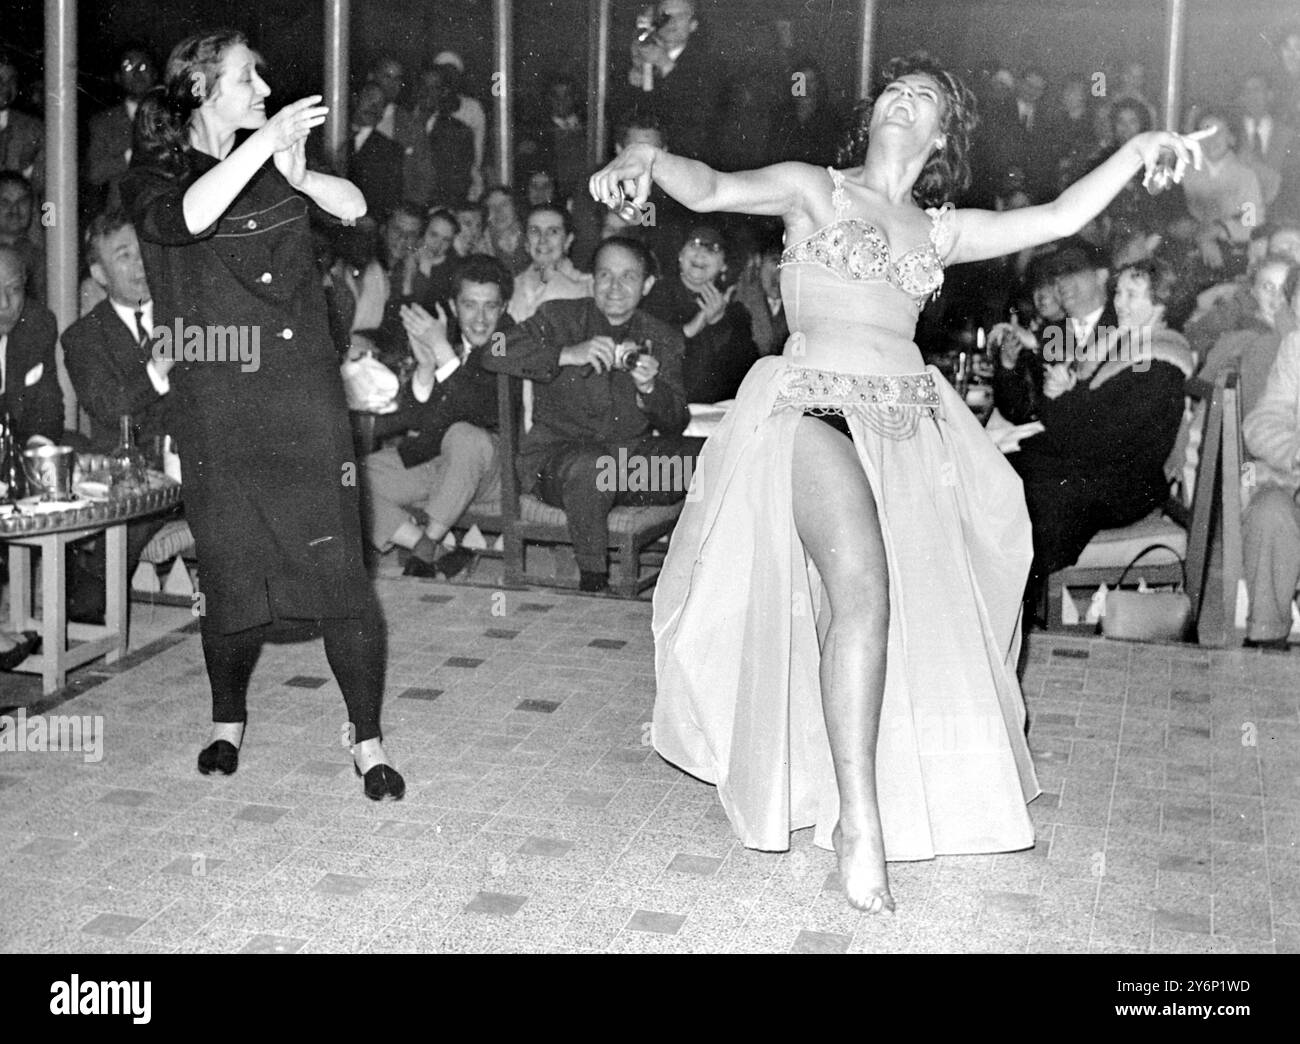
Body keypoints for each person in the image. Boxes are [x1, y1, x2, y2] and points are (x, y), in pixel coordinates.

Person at [589, 52, 1208, 913]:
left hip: (908, 426)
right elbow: (715, 188)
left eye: (924, 100)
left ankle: (847, 796)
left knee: (905, 600)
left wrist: (1138, 146)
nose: (902, 102)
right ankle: (861, 821)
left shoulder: (939, 231)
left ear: (942, 137)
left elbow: (1060, 212)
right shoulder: (815, 189)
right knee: (863, 590)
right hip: (808, 407)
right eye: (894, 91)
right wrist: (649, 161)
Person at [122, 29, 403, 800]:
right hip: (218, 405)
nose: (264, 93)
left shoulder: (271, 160)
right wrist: (263, 147)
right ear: (202, 91)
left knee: (340, 572)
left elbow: (355, 208)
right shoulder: (154, 174)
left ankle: (368, 739)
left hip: (302, 393)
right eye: (248, 80)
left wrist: (302, 171)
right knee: (234, 570)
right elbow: (188, 218)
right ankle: (226, 719)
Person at [481, 237, 701, 593]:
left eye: (628, 277)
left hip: (629, 470)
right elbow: (493, 350)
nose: (615, 287)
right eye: (605, 276)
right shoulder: (559, 317)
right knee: (591, 467)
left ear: (645, 285)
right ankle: (593, 577)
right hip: (557, 465)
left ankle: (705, 572)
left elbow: (676, 421)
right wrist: (565, 353)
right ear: (592, 280)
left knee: (714, 457)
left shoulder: (662, 337)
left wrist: (650, 388)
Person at [362, 254, 517, 579]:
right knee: (350, 477)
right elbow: (418, 420)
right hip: (442, 462)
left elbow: (479, 409)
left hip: (493, 468)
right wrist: (426, 368)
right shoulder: (444, 338)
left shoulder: (510, 342)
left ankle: (427, 542)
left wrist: (442, 353)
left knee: (464, 435)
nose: (480, 318)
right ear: (454, 305)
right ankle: (431, 548)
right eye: (470, 305)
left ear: (503, 308)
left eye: (490, 306)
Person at [61, 212, 177, 624]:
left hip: (198, 462)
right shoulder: (82, 338)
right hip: (132, 474)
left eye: (143, 251)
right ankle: (89, 605)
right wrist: (159, 369)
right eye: (124, 256)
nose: (141, 265)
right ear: (100, 273)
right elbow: (109, 406)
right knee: (128, 521)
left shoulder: (184, 314)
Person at [642, 222, 759, 403]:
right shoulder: (654, 295)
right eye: (694, 244)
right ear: (680, 254)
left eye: (713, 249)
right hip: (665, 409)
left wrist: (718, 323)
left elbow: (745, 374)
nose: (701, 254)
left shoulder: (736, 312)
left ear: (724, 265)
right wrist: (693, 326)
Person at [86, 47, 158, 212]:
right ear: (118, 78)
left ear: (155, 74)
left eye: (143, 67)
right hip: (121, 215)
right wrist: (131, 156)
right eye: (128, 67)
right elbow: (95, 173)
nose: (137, 73)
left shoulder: (171, 116)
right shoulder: (103, 122)